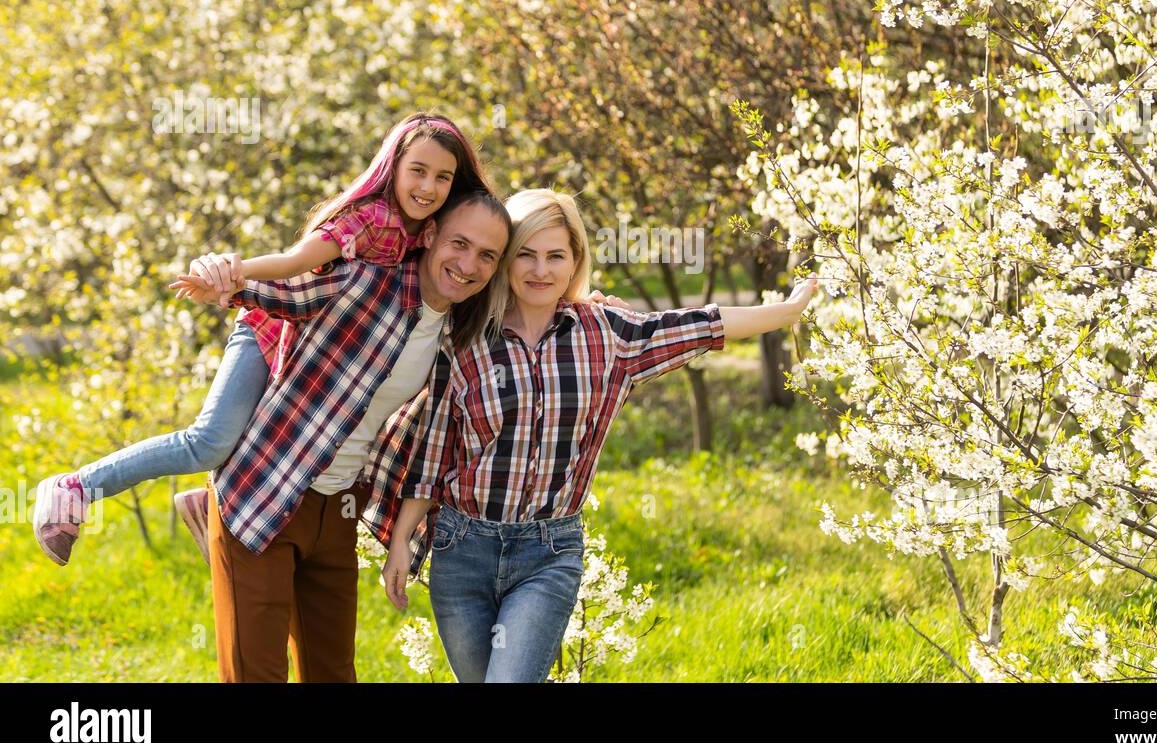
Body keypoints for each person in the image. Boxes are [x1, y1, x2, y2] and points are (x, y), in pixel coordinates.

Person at [366, 188, 817, 682]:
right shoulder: (466, 336)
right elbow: (433, 454)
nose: (540, 270)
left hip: (548, 553)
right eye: (526, 255)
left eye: (555, 255)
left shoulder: (607, 334)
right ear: (506, 261)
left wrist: (787, 312)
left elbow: (700, 325)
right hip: (462, 549)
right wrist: (401, 541)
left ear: (575, 259)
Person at [31, 112, 488, 567]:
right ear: (393, 169)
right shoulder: (374, 219)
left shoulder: (429, 230)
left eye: (443, 177)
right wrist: (235, 272)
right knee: (210, 441)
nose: (428, 187)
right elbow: (295, 262)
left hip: (315, 347)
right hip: (269, 331)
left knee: (262, 441)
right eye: (418, 171)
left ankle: (205, 504)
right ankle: (76, 486)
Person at [178, 190, 510, 682]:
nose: (468, 264)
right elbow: (291, 289)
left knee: (332, 674)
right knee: (256, 675)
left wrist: (588, 304)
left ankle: (202, 512)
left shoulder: (463, 331)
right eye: (459, 243)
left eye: (487, 255)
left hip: (338, 508)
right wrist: (227, 281)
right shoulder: (370, 280)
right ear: (433, 234)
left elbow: (536, 308)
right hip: (263, 488)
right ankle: (211, 512)